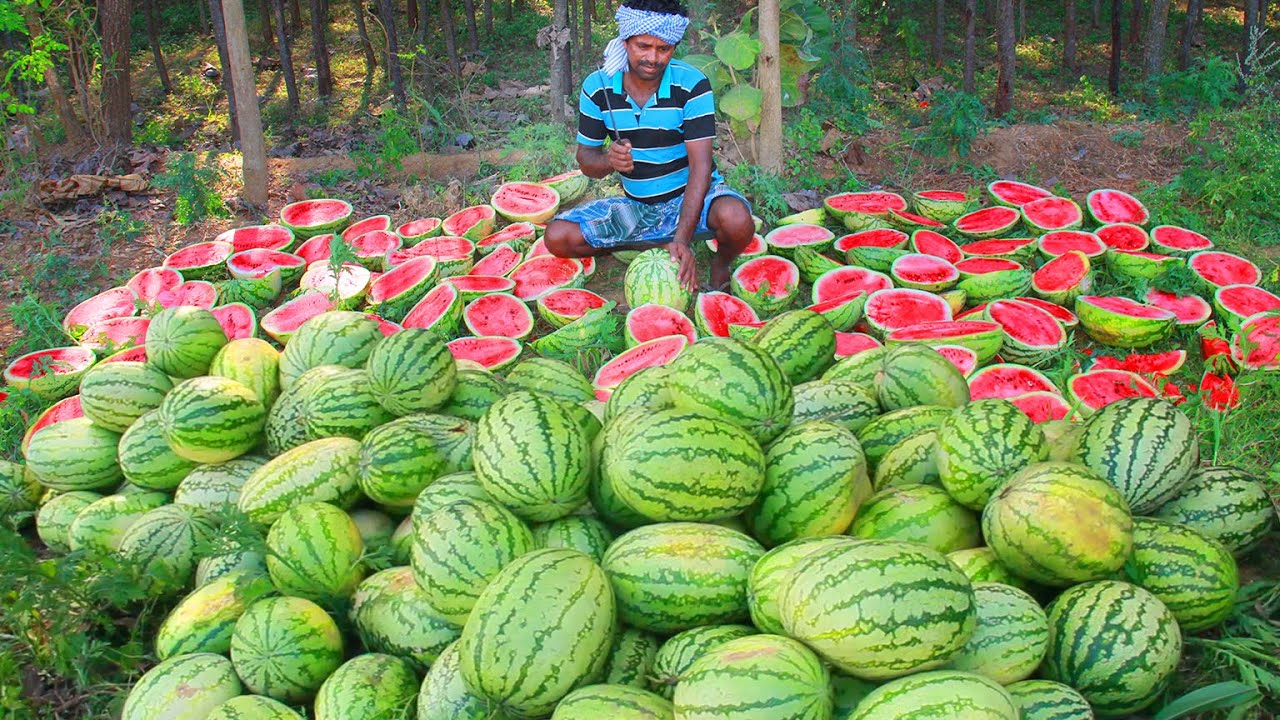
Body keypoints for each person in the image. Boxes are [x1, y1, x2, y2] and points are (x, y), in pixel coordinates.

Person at [543, 0, 755, 292]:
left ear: (673, 48)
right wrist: (609, 162)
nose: (653, 58)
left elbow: (701, 167)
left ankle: (718, 263)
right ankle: (655, 243)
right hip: (638, 207)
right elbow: (586, 161)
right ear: (625, 41)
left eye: (663, 49)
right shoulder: (597, 87)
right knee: (557, 236)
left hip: (693, 199)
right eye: (643, 46)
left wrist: (682, 236)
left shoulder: (692, 84)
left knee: (737, 219)